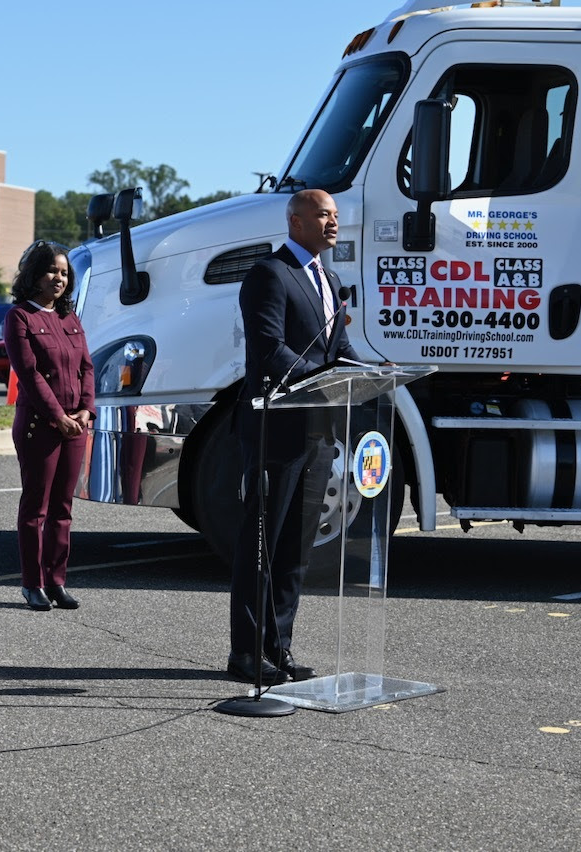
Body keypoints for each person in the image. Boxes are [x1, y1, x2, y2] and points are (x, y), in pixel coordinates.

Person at [228, 188, 361, 684]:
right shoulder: (270, 274)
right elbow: (270, 348)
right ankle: (245, 654)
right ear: (296, 221)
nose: (333, 223)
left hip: (318, 432)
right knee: (261, 542)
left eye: (335, 216)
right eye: (324, 215)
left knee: (296, 549)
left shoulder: (331, 279)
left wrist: (371, 371)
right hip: (275, 426)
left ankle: (278, 648)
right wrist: (318, 381)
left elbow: (338, 350)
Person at [4, 242, 95, 611]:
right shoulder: (20, 317)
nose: (59, 278)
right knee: (35, 508)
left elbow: (87, 367)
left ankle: (57, 581)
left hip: (76, 424)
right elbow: (29, 375)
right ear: (33, 275)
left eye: (64, 273)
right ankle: (33, 584)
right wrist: (59, 417)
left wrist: (86, 410)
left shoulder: (70, 318)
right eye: (52, 271)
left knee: (63, 507)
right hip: (40, 426)